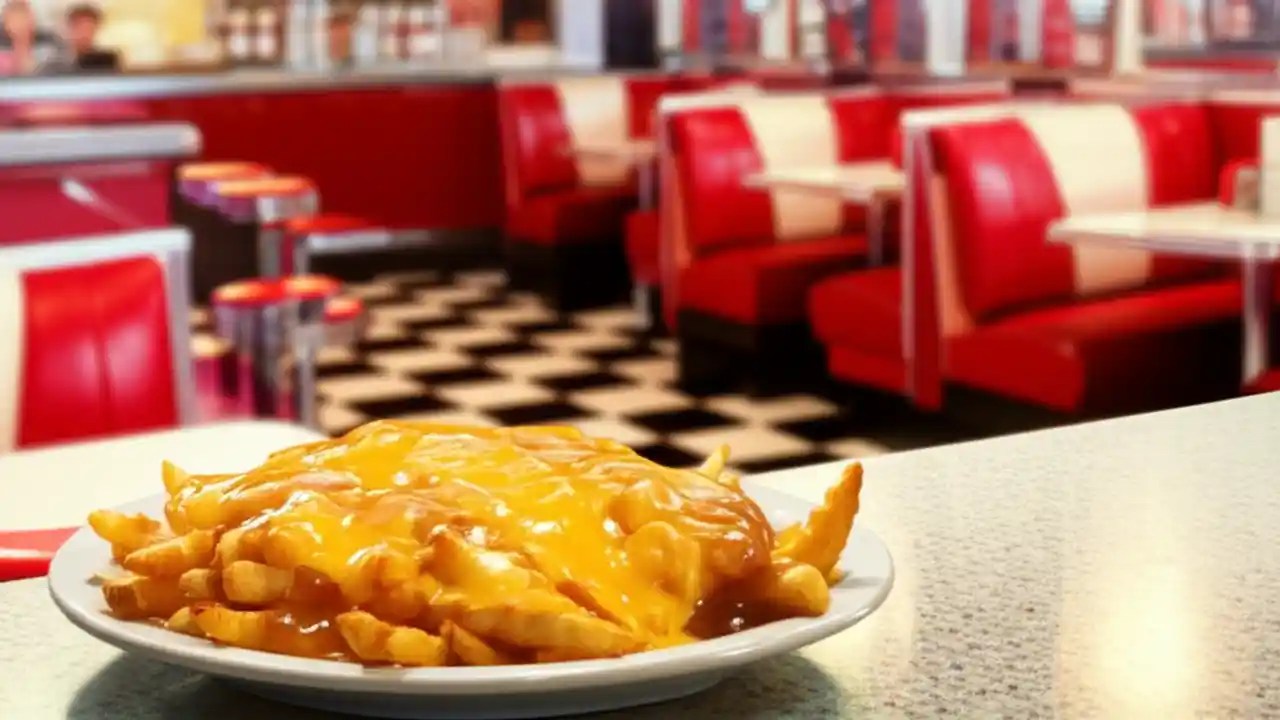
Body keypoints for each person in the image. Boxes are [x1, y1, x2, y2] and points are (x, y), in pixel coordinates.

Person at [0, 0, 61, 74]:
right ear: (6, 25)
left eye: (23, 17)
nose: (20, 25)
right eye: (15, 19)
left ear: (32, 20)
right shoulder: (2, 49)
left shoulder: (50, 44)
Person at [62, 2, 115, 69]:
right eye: (80, 28)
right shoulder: (55, 64)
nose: (84, 34)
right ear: (70, 28)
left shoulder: (106, 62)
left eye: (89, 29)